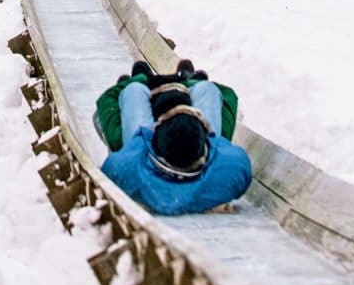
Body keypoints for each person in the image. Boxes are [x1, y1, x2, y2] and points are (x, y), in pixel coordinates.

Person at [95, 60, 252, 216]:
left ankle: (140, 78)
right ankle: (192, 82)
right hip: (203, 175)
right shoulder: (233, 168)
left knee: (133, 91)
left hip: (149, 174)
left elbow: (105, 103)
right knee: (207, 90)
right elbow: (228, 97)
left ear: (155, 132)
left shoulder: (129, 166)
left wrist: (140, 81)